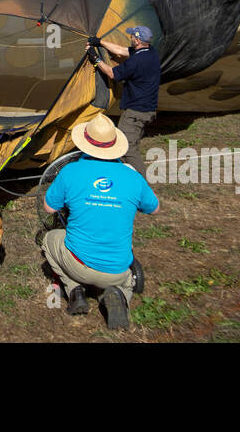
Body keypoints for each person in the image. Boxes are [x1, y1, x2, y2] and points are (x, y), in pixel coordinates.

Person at [42, 113, 159, 330]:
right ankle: (118, 294)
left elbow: (49, 207)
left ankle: (74, 289)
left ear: (85, 144)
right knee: (124, 279)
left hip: (78, 264)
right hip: (117, 269)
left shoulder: (70, 171)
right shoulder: (132, 176)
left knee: (49, 239)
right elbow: (155, 208)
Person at [92, 26, 160, 171]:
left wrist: (96, 60)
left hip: (135, 113)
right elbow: (120, 50)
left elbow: (112, 74)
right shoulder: (151, 51)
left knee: (127, 150)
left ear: (137, 40)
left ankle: (143, 186)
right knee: (130, 145)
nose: (130, 38)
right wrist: (99, 42)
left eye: (132, 37)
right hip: (147, 110)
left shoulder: (136, 61)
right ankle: (127, 181)